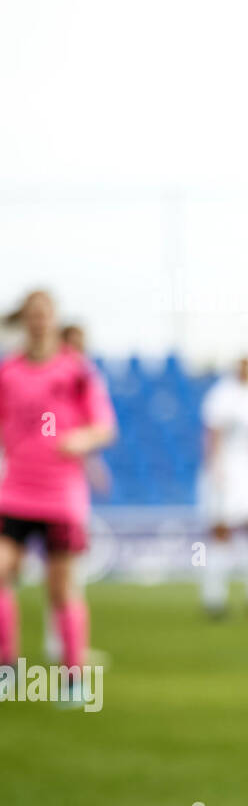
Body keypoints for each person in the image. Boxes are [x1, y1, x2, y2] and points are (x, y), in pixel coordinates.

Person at [0, 291, 117, 697]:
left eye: (44, 314)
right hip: (14, 493)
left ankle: (73, 678)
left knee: (60, 588)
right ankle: (6, 668)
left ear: (54, 320)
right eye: (31, 314)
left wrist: (80, 439)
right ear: (24, 320)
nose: (38, 321)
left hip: (60, 497)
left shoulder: (76, 371)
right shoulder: (9, 371)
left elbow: (104, 426)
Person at [197, 355, 248, 617]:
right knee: (221, 532)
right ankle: (214, 598)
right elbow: (213, 433)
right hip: (227, 468)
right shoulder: (221, 395)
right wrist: (215, 467)